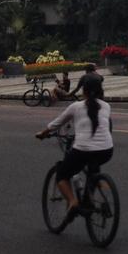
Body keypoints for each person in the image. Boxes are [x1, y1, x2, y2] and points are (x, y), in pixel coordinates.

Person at [36, 77, 113, 221]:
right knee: (93, 168)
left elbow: (55, 124)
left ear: (83, 90)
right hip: (106, 150)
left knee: (62, 174)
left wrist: (42, 134)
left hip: (83, 150)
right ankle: (91, 196)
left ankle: (73, 202)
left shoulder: (76, 106)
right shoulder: (106, 106)